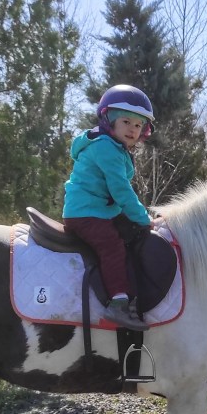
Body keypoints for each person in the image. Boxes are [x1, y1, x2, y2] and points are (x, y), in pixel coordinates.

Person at [63, 84, 157, 332]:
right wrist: (143, 218)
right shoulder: (106, 148)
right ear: (109, 120)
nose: (132, 129)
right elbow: (120, 191)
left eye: (138, 125)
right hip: (87, 213)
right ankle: (118, 303)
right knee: (112, 247)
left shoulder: (112, 146)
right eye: (126, 121)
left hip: (97, 209)